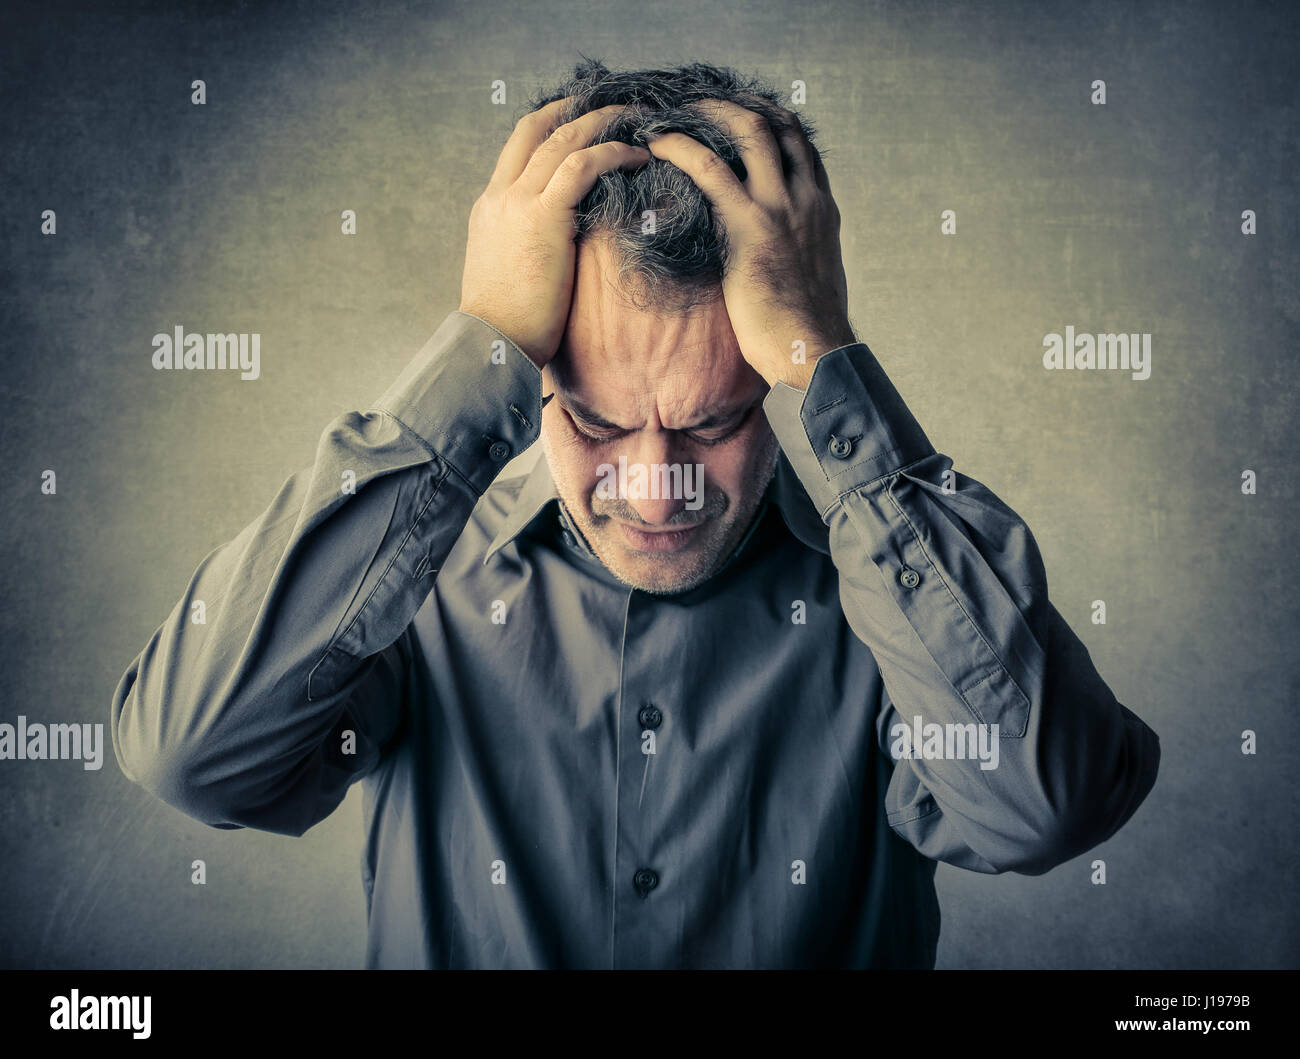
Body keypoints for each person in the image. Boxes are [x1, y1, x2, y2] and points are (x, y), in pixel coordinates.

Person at [110, 60, 1160, 968]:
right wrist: (476, 340)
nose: (655, 482)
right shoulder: (410, 572)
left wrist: (823, 360)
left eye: (711, 424)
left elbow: (1045, 807)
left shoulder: (895, 600)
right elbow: (195, 757)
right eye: (599, 422)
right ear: (534, 377)